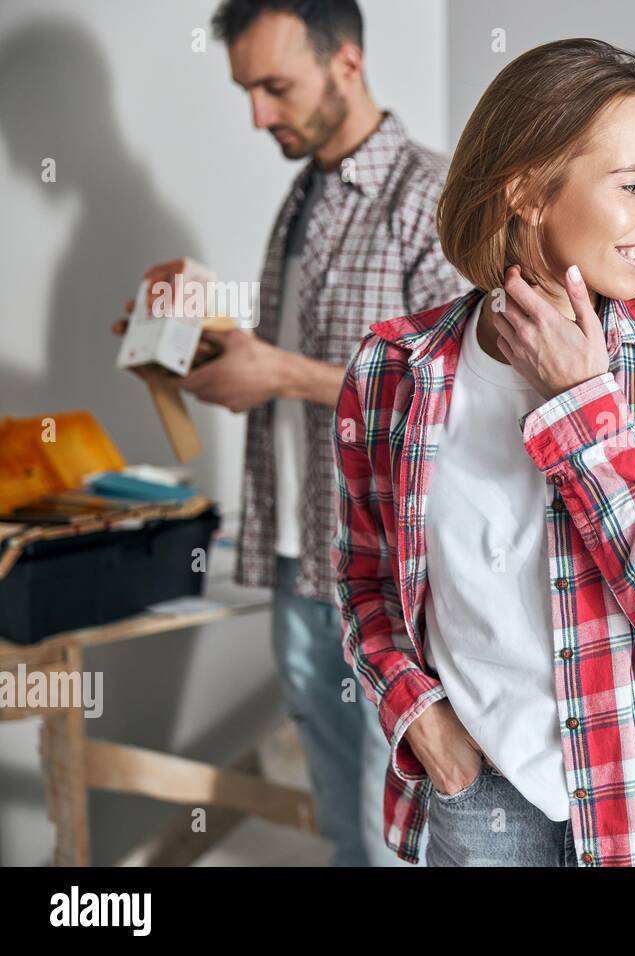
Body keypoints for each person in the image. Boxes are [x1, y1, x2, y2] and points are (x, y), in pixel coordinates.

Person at [332, 37, 635, 867]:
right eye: (633, 185)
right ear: (525, 189)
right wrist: (426, 724)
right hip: (480, 804)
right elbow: (366, 585)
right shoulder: (391, 370)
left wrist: (582, 405)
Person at [113, 0, 471, 865]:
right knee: (344, 815)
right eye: (247, 91)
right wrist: (196, 338)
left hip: (388, 571)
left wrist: (277, 373)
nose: (258, 115)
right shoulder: (302, 195)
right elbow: (312, 348)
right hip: (297, 553)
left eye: (275, 87)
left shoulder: (433, 197)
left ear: (346, 62)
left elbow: (456, 393)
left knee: (399, 826)